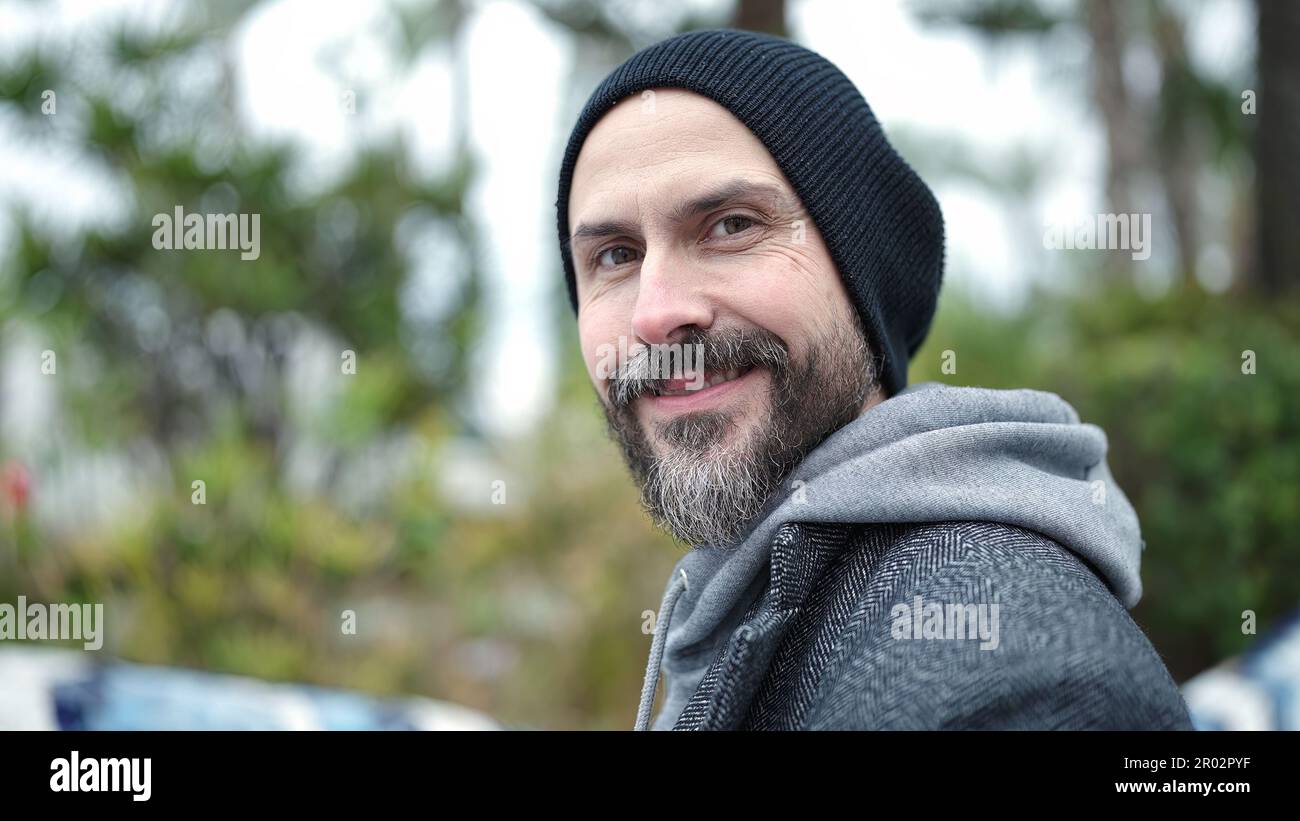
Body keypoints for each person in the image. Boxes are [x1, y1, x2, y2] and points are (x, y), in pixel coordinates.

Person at [554, 28, 1193, 730]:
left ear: (863, 280)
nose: (656, 314)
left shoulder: (1014, 676)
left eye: (730, 225)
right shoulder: (749, 604)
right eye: (615, 255)